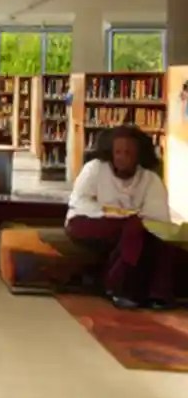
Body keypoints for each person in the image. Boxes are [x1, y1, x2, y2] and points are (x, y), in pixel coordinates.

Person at [65, 125, 176, 309]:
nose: (122, 157)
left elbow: (157, 216)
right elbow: (80, 202)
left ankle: (158, 295)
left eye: (128, 153)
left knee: (154, 238)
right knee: (133, 227)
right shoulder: (94, 169)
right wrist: (116, 215)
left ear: (139, 155)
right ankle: (118, 287)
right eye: (118, 152)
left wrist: (128, 218)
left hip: (132, 229)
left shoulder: (150, 180)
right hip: (88, 221)